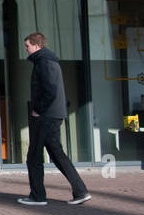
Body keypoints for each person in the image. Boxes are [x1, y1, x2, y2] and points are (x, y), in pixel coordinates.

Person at [19, 32, 90, 206]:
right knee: (57, 154)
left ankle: (38, 197)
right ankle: (80, 191)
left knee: (34, 156)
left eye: (27, 46)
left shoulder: (44, 62)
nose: (26, 49)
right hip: (52, 114)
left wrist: (38, 109)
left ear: (36, 46)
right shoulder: (47, 60)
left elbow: (50, 90)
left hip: (46, 116)